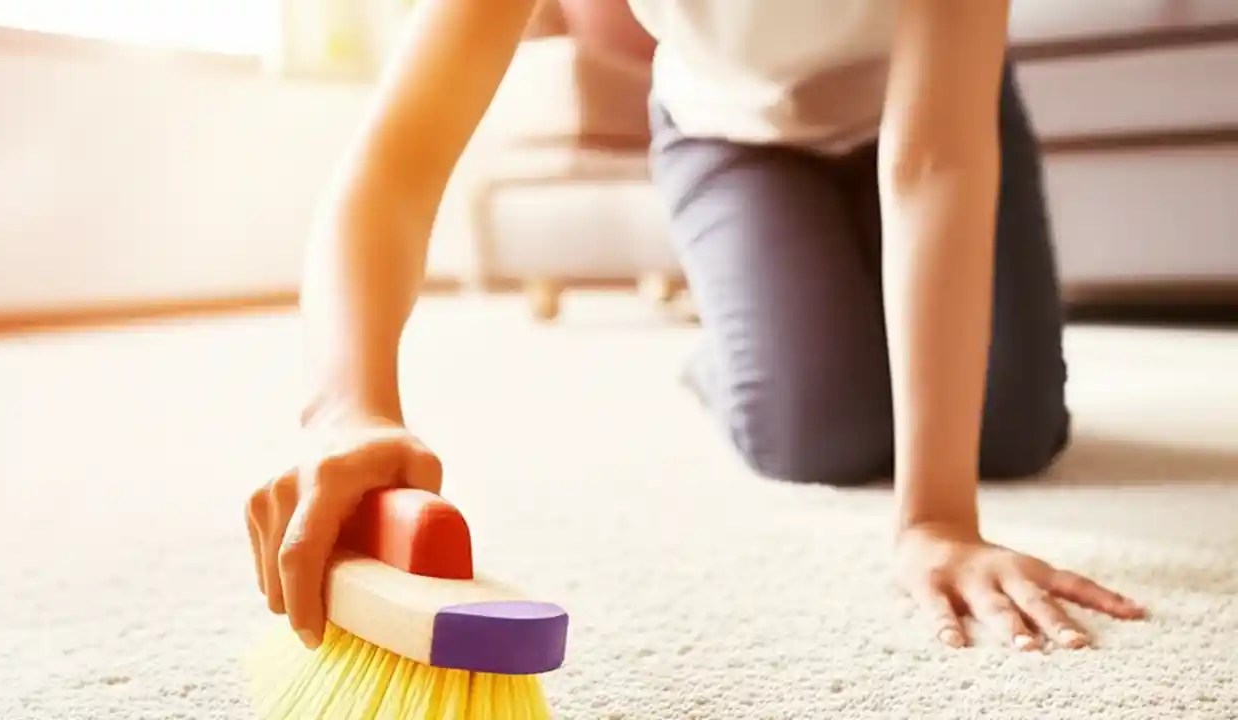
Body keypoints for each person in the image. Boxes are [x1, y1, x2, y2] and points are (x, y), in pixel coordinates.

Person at [245, 0, 1147, 654]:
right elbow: (393, 165)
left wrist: (937, 518)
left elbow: (934, 161)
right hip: (733, 140)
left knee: (1018, 429)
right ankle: (732, 347)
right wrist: (350, 410)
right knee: (817, 432)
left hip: (940, 112)